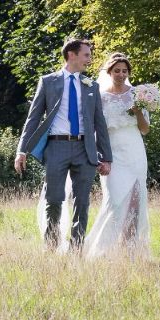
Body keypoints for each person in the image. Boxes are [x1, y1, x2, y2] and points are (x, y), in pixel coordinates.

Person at [15, 38, 113, 252]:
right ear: (72, 54)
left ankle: (76, 249)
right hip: (56, 147)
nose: (90, 59)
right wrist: (21, 150)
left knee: (82, 203)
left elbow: (99, 123)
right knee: (54, 199)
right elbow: (33, 119)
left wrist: (106, 157)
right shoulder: (48, 81)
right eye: (86, 55)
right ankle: (51, 246)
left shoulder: (91, 86)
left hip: (84, 149)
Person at [83, 53, 151, 259]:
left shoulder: (138, 95)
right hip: (110, 154)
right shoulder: (101, 97)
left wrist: (138, 111)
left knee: (135, 202)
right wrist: (98, 155)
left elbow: (145, 130)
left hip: (135, 152)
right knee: (115, 200)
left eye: (125, 71)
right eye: (117, 71)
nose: (121, 74)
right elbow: (94, 128)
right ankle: (101, 251)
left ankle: (129, 251)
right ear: (109, 72)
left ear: (128, 73)